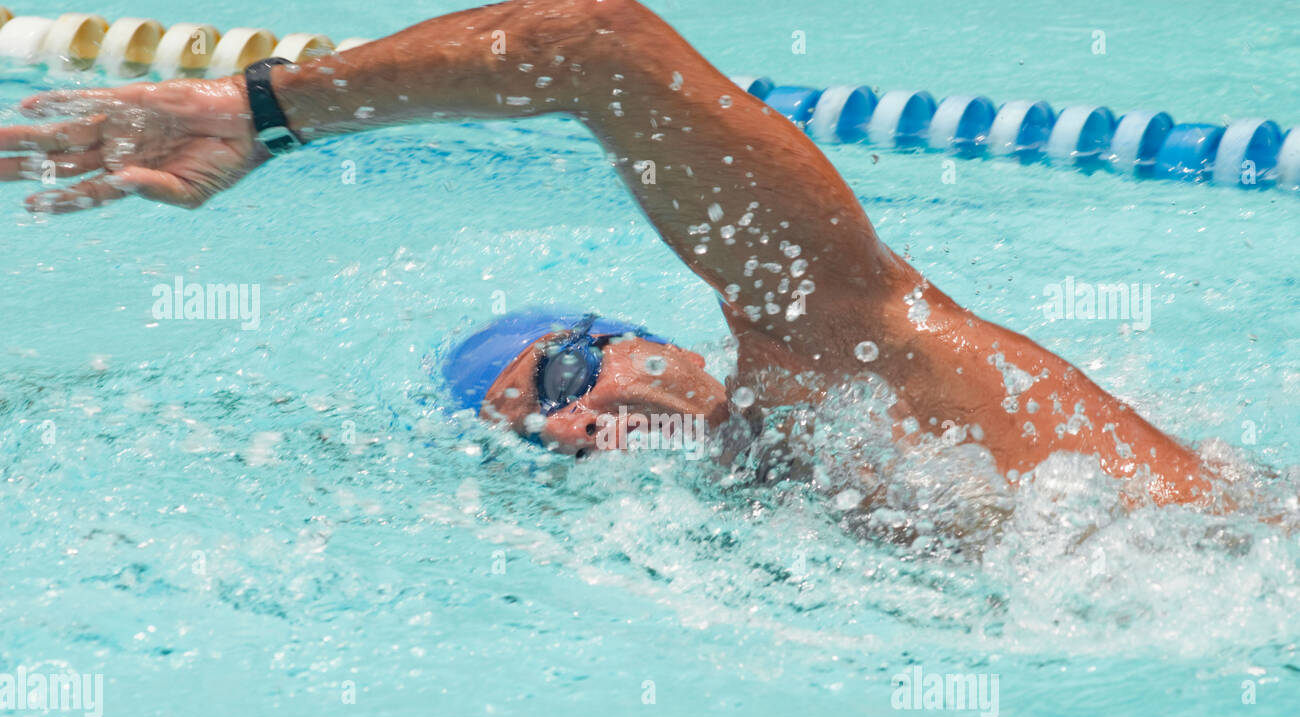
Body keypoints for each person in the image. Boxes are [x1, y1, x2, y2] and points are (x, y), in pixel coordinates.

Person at [0, 0, 1214, 506]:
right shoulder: (785, 516)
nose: (575, 428)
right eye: (541, 434)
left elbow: (594, 44)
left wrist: (266, 113)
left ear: (649, 344)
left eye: (568, 381)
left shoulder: (833, 351)